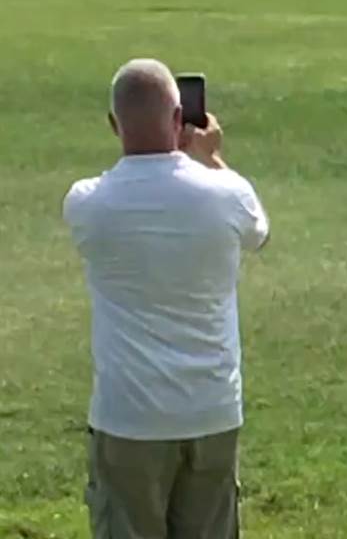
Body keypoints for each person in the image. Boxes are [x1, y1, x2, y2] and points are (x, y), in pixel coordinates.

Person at [62, 58, 270, 539]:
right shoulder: (226, 194)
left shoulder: (87, 202)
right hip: (212, 407)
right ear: (181, 119)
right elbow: (258, 229)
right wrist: (210, 157)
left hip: (129, 415)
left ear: (115, 125)